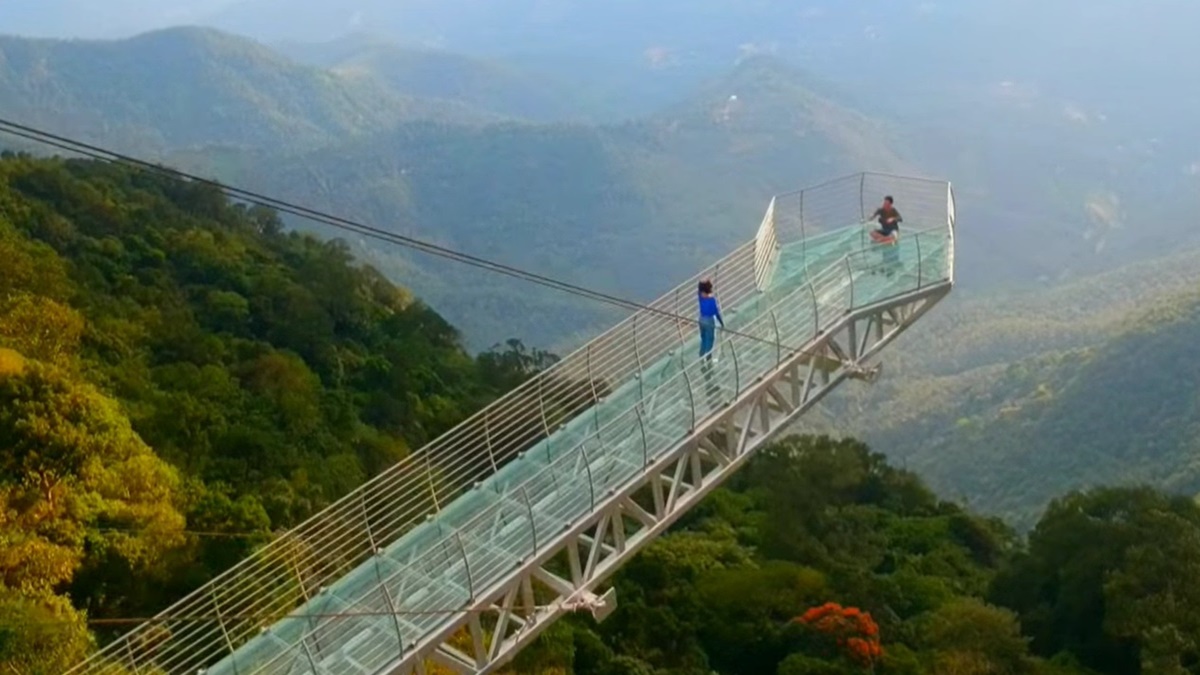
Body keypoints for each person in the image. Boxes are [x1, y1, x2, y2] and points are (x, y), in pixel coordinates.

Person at [697, 278, 724, 361]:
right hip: (709, 320)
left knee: (704, 338)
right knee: (710, 339)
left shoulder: (700, 297)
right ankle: (708, 358)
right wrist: (721, 323)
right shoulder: (711, 300)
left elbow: (700, 288)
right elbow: (716, 313)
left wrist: (704, 282)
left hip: (701, 319)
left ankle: (701, 356)